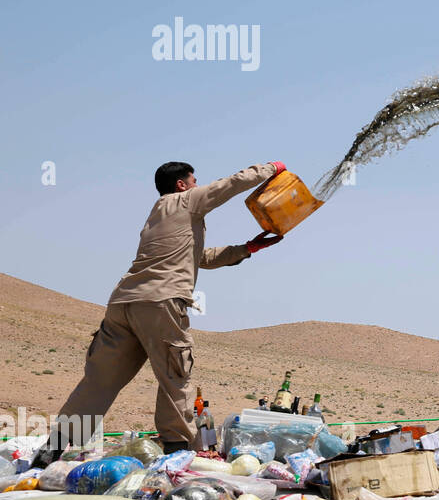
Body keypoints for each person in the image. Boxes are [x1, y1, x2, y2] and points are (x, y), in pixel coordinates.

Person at [31, 161, 287, 466]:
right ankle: (176, 453)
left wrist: (245, 249)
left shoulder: (159, 214)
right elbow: (230, 184)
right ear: (181, 185)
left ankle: (51, 450)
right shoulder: (187, 201)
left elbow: (200, 257)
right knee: (175, 375)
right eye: (194, 181)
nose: (197, 186)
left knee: (99, 380)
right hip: (161, 302)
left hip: (124, 303)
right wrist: (270, 168)